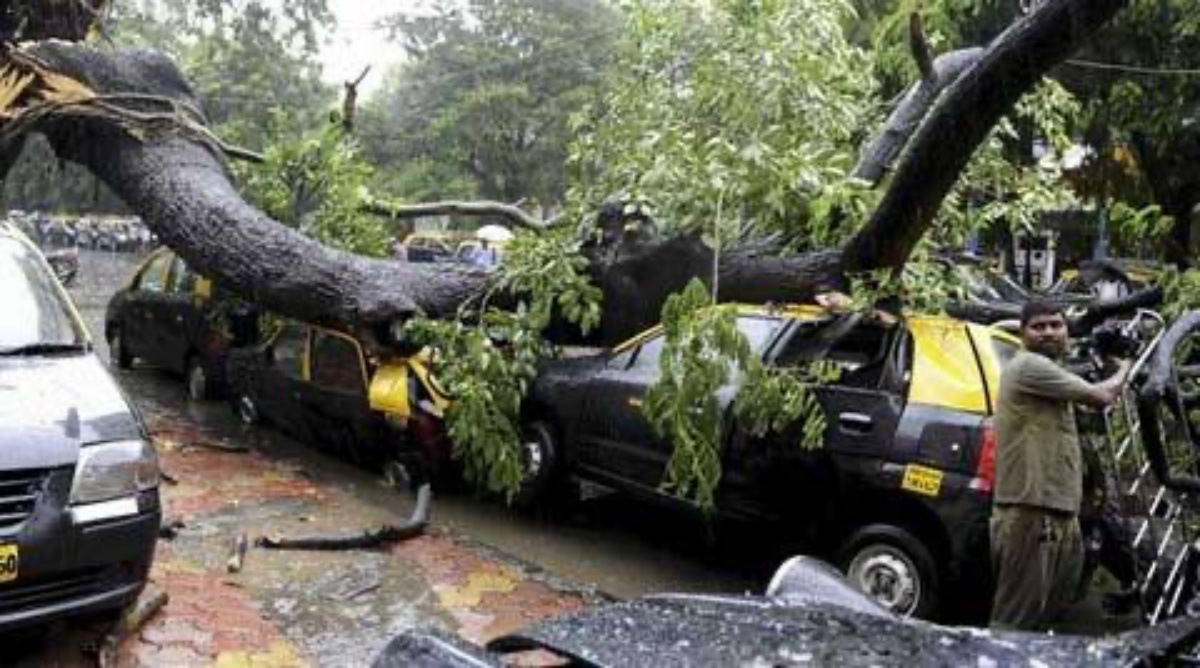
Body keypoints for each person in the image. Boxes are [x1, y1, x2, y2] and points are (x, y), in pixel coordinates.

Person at [990, 299, 1131, 631]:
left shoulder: (1053, 377)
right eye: (1039, 327)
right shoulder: (1028, 368)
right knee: (1014, 623)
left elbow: (1093, 416)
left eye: (1056, 325)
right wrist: (1127, 365)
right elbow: (1102, 396)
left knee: (1049, 619)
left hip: (1059, 513)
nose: (1049, 332)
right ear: (1022, 333)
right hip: (1031, 512)